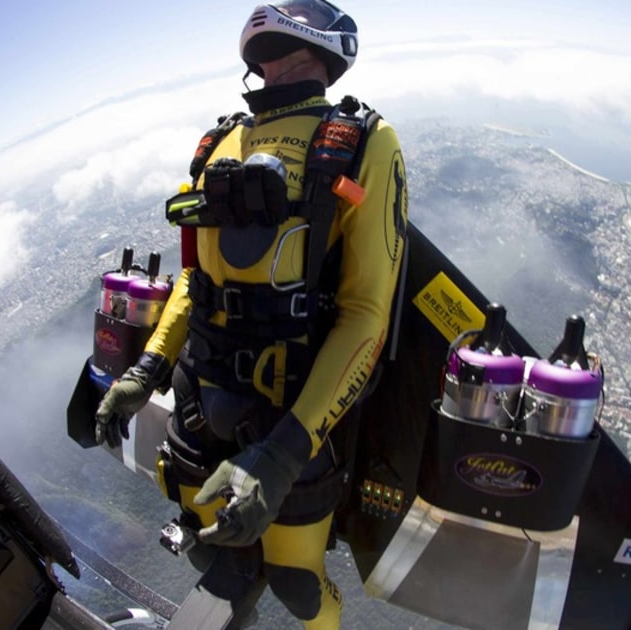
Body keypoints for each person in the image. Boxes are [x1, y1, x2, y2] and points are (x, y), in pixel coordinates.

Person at [95, 1, 406, 627]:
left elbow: (367, 313)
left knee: (297, 582)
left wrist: (286, 453)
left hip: (291, 412)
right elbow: (195, 280)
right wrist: (145, 370)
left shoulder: (366, 141)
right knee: (213, 555)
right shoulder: (219, 140)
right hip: (195, 404)